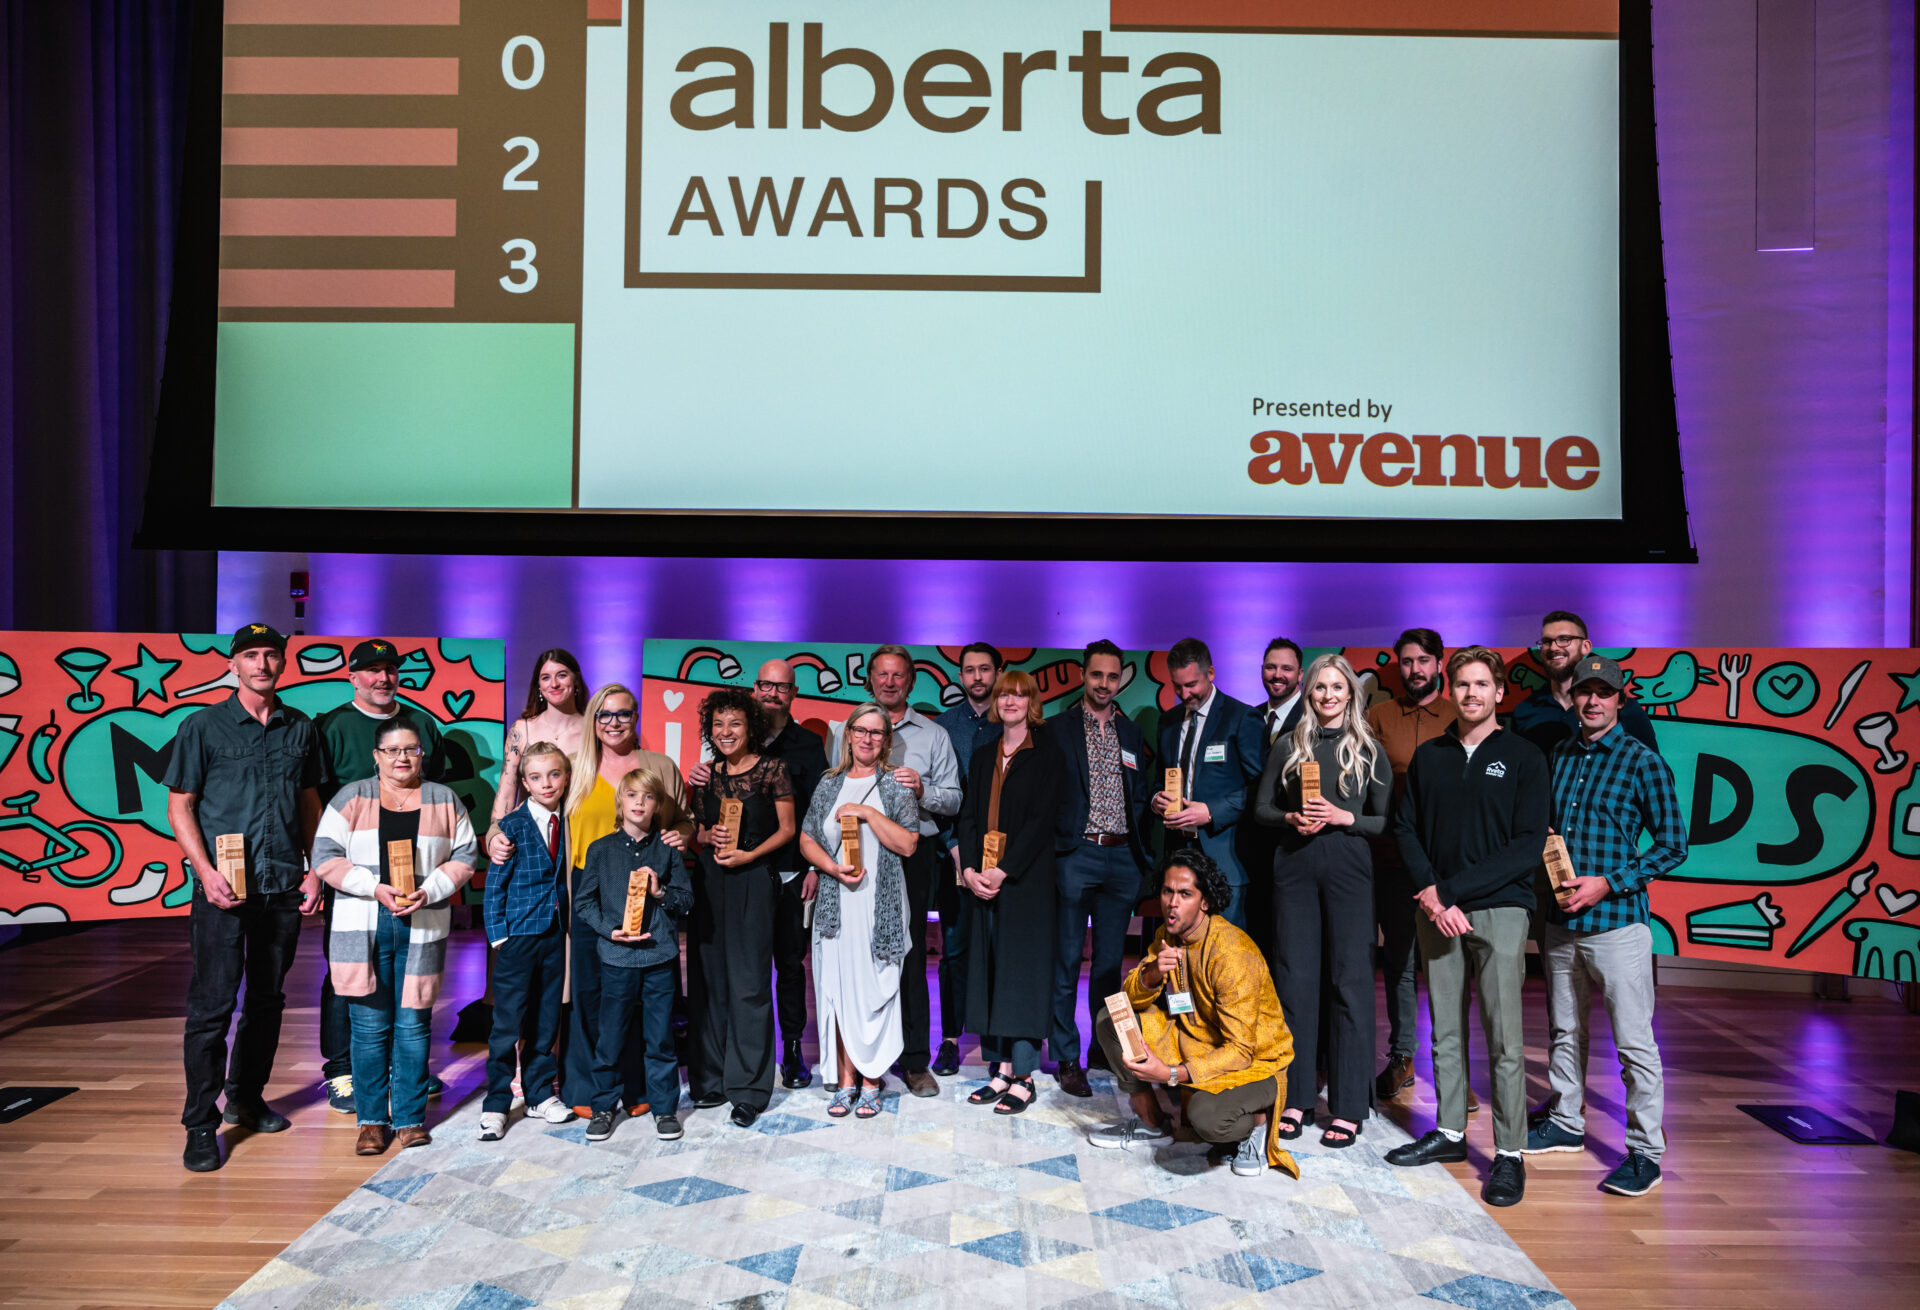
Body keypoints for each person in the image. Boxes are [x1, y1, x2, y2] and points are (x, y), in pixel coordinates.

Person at [1386, 647, 1549, 1208]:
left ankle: (1509, 1153)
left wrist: (1449, 892)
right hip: (1437, 910)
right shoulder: (1430, 756)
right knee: (1446, 1031)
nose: (1472, 693)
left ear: (1500, 692)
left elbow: (1527, 845)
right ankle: (1451, 1131)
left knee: (1504, 1037)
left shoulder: (1525, 756)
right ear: (1450, 691)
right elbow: (1406, 829)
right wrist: (1433, 894)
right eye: (1462, 684)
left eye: (1482, 684)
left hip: (1500, 909)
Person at [164, 623, 325, 1173]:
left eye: (271, 654)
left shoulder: (300, 726)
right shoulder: (202, 726)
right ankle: (199, 1123)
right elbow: (180, 806)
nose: (262, 663)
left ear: (283, 663)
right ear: (233, 665)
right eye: (251, 655)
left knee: (267, 1000)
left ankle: (247, 1098)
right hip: (223, 890)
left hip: (282, 885)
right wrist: (204, 871)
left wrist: (314, 869)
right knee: (211, 1007)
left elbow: (309, 803)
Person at [1524, 656, 1686, 1197]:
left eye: (1603, 692)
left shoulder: (1643, 762)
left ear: (1620, 698)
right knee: (1564, 1031)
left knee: (1634, 1043)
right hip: (1561, 920)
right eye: (1584, 691)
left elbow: (1673, 846)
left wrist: (1608, 883)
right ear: (1572, 697)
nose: (1592, 701)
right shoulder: (1559, 754)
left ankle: (1645, 1152)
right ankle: (1565, 1121)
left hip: (1617, 924)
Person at [490, 684, 691, 1110]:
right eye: (605, 714)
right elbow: (531, 809)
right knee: (588, 991)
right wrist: (494, 833)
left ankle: (636, 1087)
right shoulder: (575, 766)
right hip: (586, 888)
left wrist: (681, 835)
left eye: (623, 713)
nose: (614, 722)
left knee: (637, 993)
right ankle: (584, 1088)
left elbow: (683, 821)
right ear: (594, 720)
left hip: (641, 888)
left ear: (636, 717)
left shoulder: (659, 766)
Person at [312, 720, 479, 1155]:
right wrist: (373, 887)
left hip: (422, 924)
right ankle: (371, 1121)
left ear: (422, 754)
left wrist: (430, 890)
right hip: (363, 924)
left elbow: (466, 854)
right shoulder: (351, 797)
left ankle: (409, 1119)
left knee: (414, 1024)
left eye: (411, 749)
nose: (402, 757)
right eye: (392, 750)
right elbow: (324, 856)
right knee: (369, 1027)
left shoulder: (443, 799)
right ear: (377, 756)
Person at [1087, 850, 1299, 1181]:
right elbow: (1129, 997)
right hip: (1195, 1039)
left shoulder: (1231, 953)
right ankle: (1151, 1122)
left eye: (1185, 894)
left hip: (1257, 1063)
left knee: (1207, 1119)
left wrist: (1171, 1073)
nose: (1172, 903)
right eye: (1167, 891)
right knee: (1112, 1019)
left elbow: (1241, 1050)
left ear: (1205, 901)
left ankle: (1259, 1124)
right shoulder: (1168, 935)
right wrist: (1152, 974)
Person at [1253, 654, 1390, 1148]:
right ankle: (1296, 1097)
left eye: (1337, 687)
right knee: (1294, 981)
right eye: (1319, 687)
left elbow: (1384, 821)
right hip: (1294, 868)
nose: (1328, 695)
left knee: (1349, 981)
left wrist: (1344, 817)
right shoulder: (1288, 745)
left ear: (1351, 693)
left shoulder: (1368, 749)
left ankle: (1349, 1105)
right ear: (1308, 693)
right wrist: (1290, 818)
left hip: (1349, 869)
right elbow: (1261, 808)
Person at [314, 638, 447, 1116]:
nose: (382, 677)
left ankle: (402, 1067)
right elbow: (314, 798)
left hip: (413, 875)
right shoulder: (331, 726)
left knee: (408, 968)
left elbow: (434, 793)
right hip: (356, 876)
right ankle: (342, 1069)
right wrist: (319, 869)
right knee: (349, 969)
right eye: (371, 670)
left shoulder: (421, 724)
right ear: (353, 677)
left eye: (390, 669)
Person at [688, 660, 829, 1090]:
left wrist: (813, 867)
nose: (772, 692)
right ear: (755, 689)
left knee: (788, 963)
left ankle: (792, 1050)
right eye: (766, 684)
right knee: (735, 971)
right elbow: (701, 823)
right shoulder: (718, 759)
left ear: (793, 693)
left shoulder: (808, 745)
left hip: (788, 872)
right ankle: (729, 1061)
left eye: (781, 687)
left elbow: (817, 811)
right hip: (734, 876)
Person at [830, 645, 962, 1096]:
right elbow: (832, 791)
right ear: (870, 679)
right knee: (859, 955)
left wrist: (923, 789)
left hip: (911, 854)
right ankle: (861, 1060)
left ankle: (914, 1061)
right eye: (882, 674)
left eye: (898, 675)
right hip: (856, 853)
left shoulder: (933, 735)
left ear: (911, 681)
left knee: (907, 954)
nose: (889, 682)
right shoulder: (846, 730)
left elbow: (954, 799)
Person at [798, 703, 921, 1118]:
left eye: (876, 732)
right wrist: (831, 868)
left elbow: (908, 844)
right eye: (861, 730)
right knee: (837, 988)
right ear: (848, 734)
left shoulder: (895, 784)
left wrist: (867, 812)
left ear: (886, 740)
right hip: (837, 902)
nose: (867, 738)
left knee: (874, 989)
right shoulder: (828, 783)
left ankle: (872, 1080)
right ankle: (847, 1080)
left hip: (878, 903)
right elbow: (808, 838)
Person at [1049, 639, 1154, 1098]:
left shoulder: (1130, 732)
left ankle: (1103, 1049)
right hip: (1077, 855)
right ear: (1082, 675)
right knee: (1067, 960)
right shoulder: (1057, 729)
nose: (1104, 684)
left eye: (1112, 676)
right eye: (1097, 675)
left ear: (1120, 679)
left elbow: (1139, 794)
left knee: (1111, 965)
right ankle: (1067, 1058)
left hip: (1122, 858)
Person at [687, 687, 797, 1127]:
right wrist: (706, 836)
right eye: (718, 724)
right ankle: (710, 1080)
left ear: (751, 727)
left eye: (734, 723)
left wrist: (750, 855)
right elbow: (696, 831)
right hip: (710, 881)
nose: (726, 731)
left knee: (750, 983)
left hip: (754, 878)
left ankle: (749, 1089)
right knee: (710, 981)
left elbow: (787, 829)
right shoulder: (706, 774)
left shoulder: (773, 769)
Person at [1364, 628, 1463, 1106]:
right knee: (1399, 961)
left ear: (1440, 663)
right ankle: (1402, 1056)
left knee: (1449, 966)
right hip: (1391, 859)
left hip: (1447, 865)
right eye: (1406, 661)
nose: (1415, 669)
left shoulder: (1460, 714)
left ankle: (1456, 1074)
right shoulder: (1378, 716)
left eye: (1423, 660)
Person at [956, 669, 1064, 1114]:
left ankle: (1024, 1075)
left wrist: (1003, 871)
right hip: (982, 878)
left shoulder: (1048, 754)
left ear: (1032, 702)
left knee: (1022, 975)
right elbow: (968, 817)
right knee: (989, 972)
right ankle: (999, 1070)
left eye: (1020, 695)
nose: (1010, 701)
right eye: (1004, 695)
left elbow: (1042, 823)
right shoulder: (984, 755)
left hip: (1025, 882)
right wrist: (969, 869)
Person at [574, 768, 694, 1143]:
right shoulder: (600, 850)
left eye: (648, 796)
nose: (639, 802)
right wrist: (609, 930)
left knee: (659, 1039)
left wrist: (660, 893)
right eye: (632, 795)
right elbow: (583, 902)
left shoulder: (668, 850)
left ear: (657, 805)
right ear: (620, 802)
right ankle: (603, 1107)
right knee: (610, 1037)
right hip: (616, 959)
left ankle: (664, 1109)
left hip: (659, 959)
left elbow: (686, 901)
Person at [478, 741, 577, 1140]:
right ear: (524, 783)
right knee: (507, 1024)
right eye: (536, 777)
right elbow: (494, 886)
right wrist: (499, 937)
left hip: (555, 934)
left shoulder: (569, 820)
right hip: (517, 937)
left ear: (566, 777)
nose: (546, 783)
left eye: (554, 774)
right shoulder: (512, 826)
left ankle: (538, 1094)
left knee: (546, 1019)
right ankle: (496, 1102)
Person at [1151, 638, 1264, 930]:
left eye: (1191, 684)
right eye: (1177, 686)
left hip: (1225, 858)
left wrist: (1212, 812)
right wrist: (1156, 800)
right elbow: (1159, 779)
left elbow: (1261, 787)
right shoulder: (1168, 722)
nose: (1184, 694)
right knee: (1180, 947)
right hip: (1178, 858)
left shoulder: (1242, 717)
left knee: (1226, 949)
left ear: (1210, 673)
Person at [930, 642, 1004, 1076]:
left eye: (985, 669)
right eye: (970, 670)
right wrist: (956, 852)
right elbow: (936, 799)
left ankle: (996, 1043)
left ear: (998, 673)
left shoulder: (1012, 721)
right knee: (954, 952)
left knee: (997, 951)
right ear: (960, 676)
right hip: (953, 856)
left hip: (1001, 861)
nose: (977, 677)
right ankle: (950, 1040)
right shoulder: (943, 727)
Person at [1511, 611, 1659, 757]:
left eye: (1564, 639)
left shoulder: (1625, 709)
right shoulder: (1524, 711)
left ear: (1585, 646)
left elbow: (1650, 765)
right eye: (1547, 641)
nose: (1554, 648)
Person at [489, 647, 589, 832]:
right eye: (545, 677)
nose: (554, 684)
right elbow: (507, 791)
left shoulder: (594, 731)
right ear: (539, 686)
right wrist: (496, 833)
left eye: (561, 675)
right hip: (530, 833)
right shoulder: (521, 730)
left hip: (581, 830)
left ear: (576, 679)